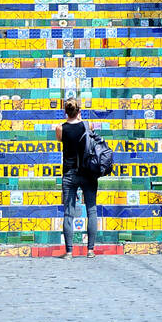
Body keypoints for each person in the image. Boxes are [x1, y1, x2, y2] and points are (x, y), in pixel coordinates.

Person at [54, 99, 99, 257]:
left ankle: (69, 251)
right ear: (79, 111)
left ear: (65, 111)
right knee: (91, 210)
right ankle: (91, 250)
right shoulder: (88, 125)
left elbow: (60, 140)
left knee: (68, 212)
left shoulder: (60, 128)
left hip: (69, 173)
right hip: (88, 172)